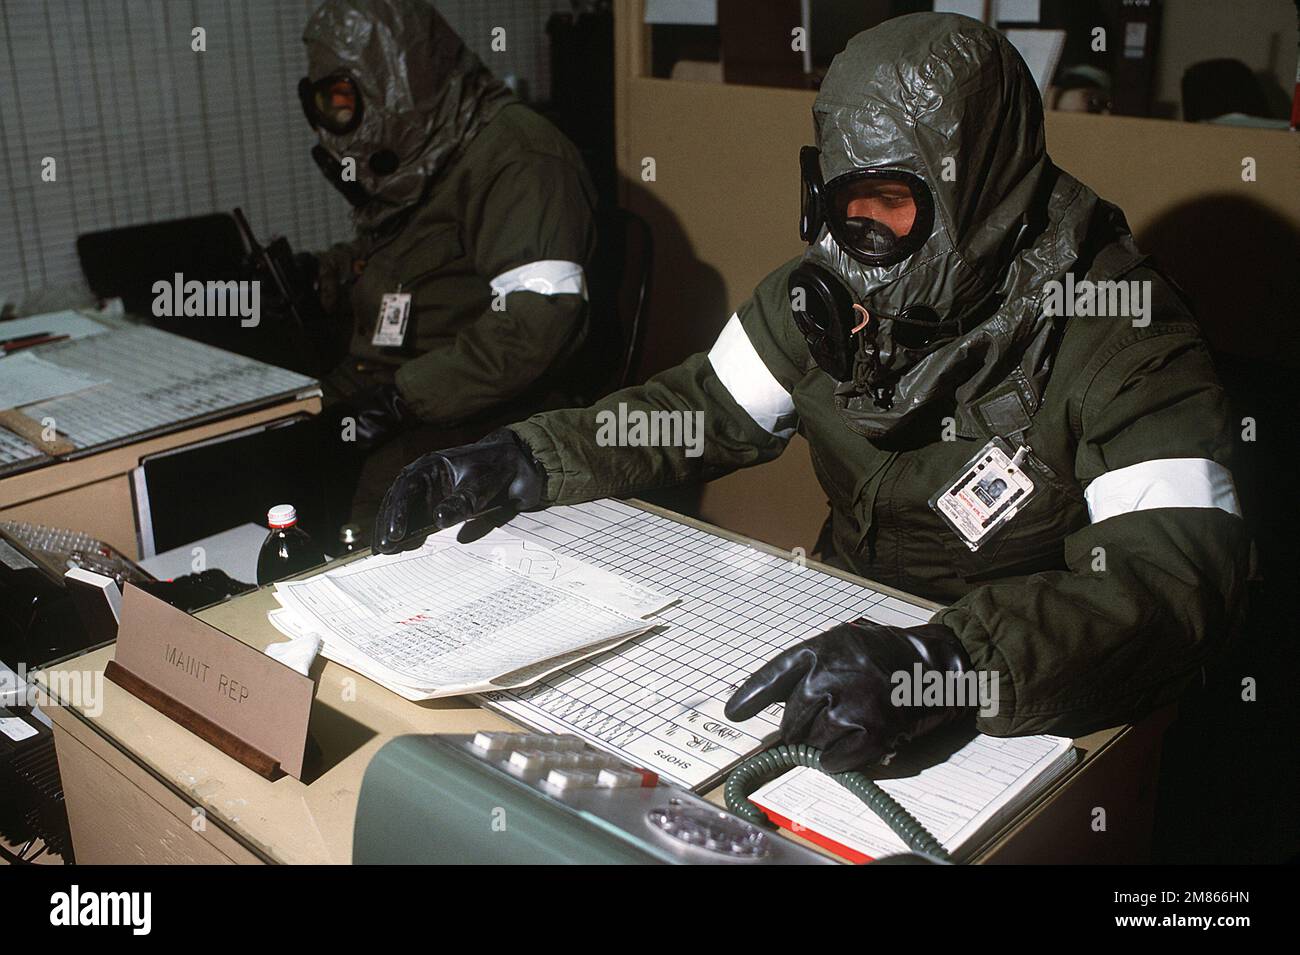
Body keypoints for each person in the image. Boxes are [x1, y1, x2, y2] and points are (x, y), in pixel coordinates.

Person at [371, 14, 1248, 771]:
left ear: (977, 192)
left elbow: (1173, 581)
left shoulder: (1119, 330)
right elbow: (705, 407)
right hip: (855, 644)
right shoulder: (842, 290)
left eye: (887, 206)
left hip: (1027, 690)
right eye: (836, 196)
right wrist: (532, 454)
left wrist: (943, 662)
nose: (845, 240)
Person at [296, 0, 598, 535]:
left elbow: (533, 327)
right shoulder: (429, 146)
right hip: (382, 381)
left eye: (348, 97)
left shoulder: (521, 161)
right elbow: (404, 255)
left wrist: (401, 400)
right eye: (328, 100)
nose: (340, 118)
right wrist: (319, 275)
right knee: (255, 454)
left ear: (400, 80)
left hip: (471, 406)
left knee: (372, 525)